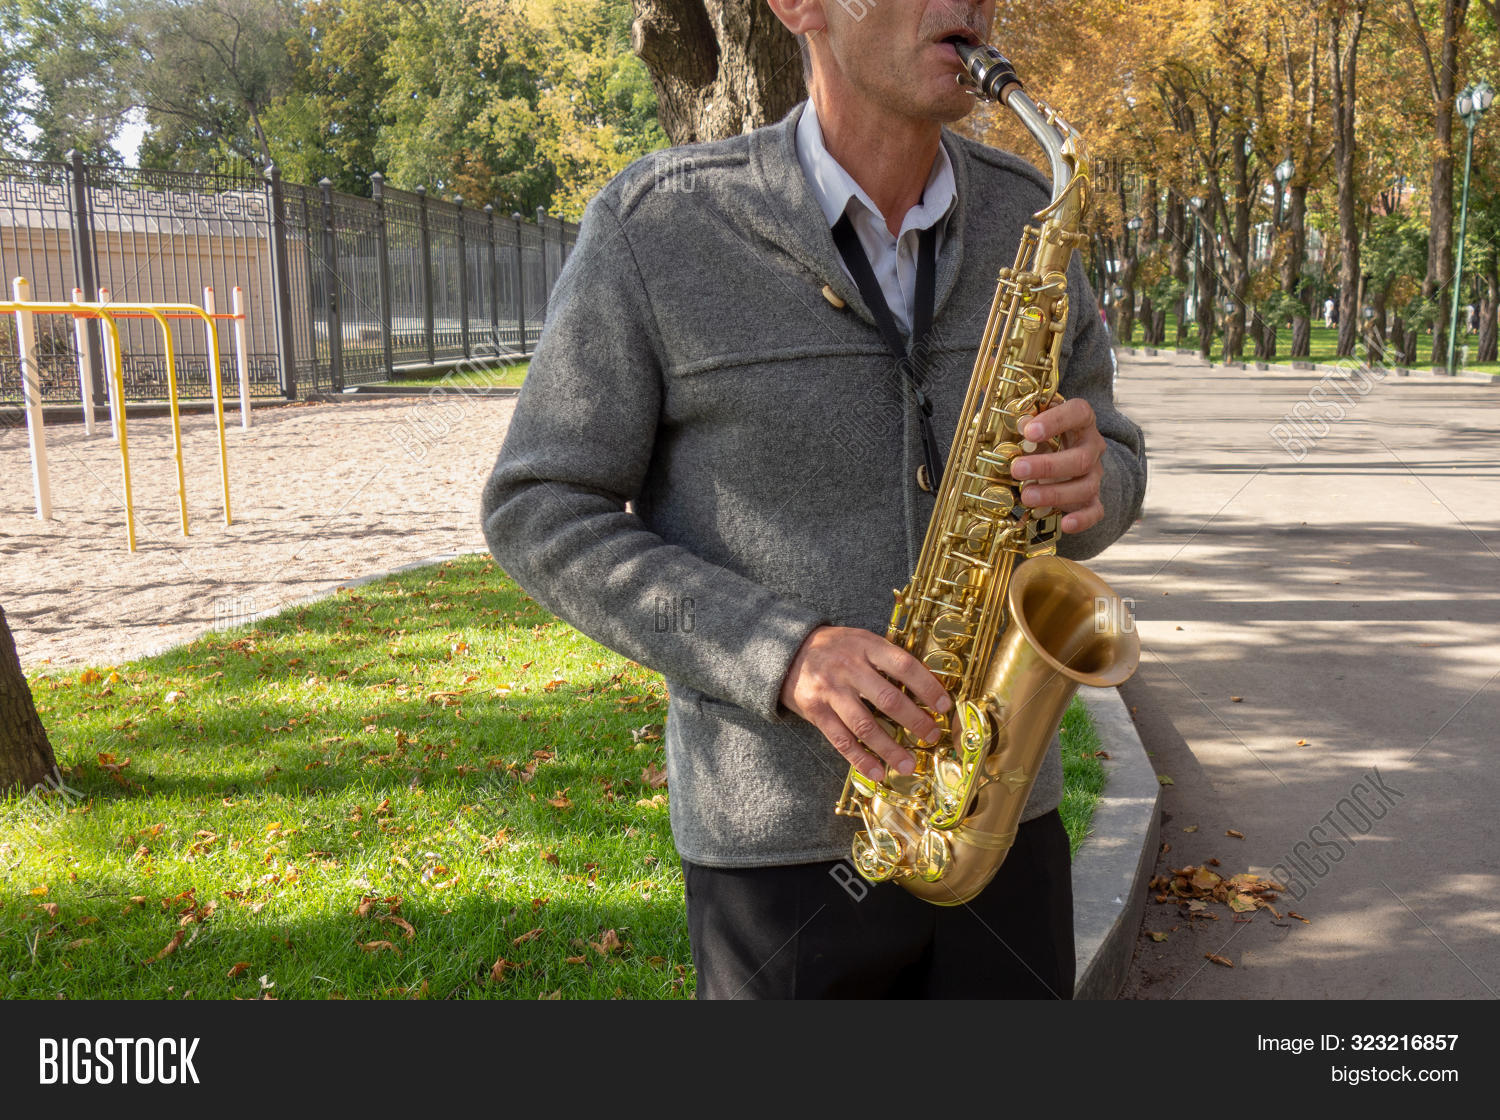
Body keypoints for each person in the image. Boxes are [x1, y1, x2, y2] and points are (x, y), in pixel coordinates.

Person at [481, 0, 1147, 999]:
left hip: (1002, 830)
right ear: (798, 8)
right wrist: (778, 652)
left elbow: (1118, 455)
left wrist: (1099, 480)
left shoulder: (1027, 209)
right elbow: (538, 506)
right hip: (774, 859)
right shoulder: (658, 226)